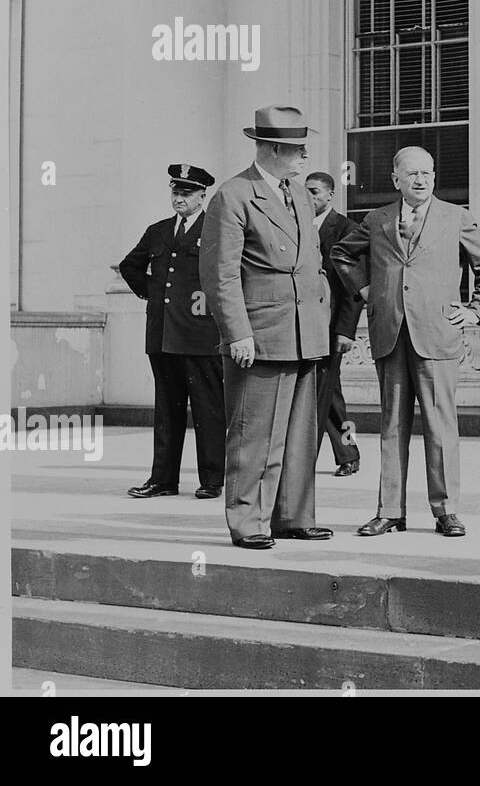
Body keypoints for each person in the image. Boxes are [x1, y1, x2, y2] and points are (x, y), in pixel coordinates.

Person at [331, 146, 480, 539]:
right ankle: (390, 511)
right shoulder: (377, 219)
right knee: (391, 425)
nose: (421, 180)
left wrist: (476, 311)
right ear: (396, 180)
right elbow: (341, 254)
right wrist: (369, 289)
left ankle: (446, 511)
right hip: (390, 333)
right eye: (412, 175)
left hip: (437, 335)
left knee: (441, 426)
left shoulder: (456, 217)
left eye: (427, 173)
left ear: (435, 177)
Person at [199, 106, 333, 550]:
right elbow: (221, 274)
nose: (304, 156)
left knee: (299, 436)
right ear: (274, 149)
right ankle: (248, 522)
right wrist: (237, 332)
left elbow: (312, 265)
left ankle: (293, 516)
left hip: (303, 332)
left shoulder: (297, 191)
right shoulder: (234, 195)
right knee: (254, 436)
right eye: (297, 149)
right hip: (260, 335)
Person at [118, 164, 225, 499]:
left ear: (202, 196)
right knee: (167, 411)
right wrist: (152, 294)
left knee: (208, 410)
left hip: (201, 336)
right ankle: (163, 479)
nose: (179, 198)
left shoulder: (217, 230)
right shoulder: (159, 230)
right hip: (163, 336)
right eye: (176, 192)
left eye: (187, 193)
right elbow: (129, 266)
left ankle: (212, 479)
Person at [305, 171, 362, 477]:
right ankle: (347, 453)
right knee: (325, 393)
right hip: (303, 326)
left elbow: (353, 288)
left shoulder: (346, 229)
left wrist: (345, 330)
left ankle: (345, 452)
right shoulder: (297, 226)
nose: (309, 198)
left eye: (315, 192)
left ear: (330, 196)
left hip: (331, 327)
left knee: (327, 392)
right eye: (306, 192)